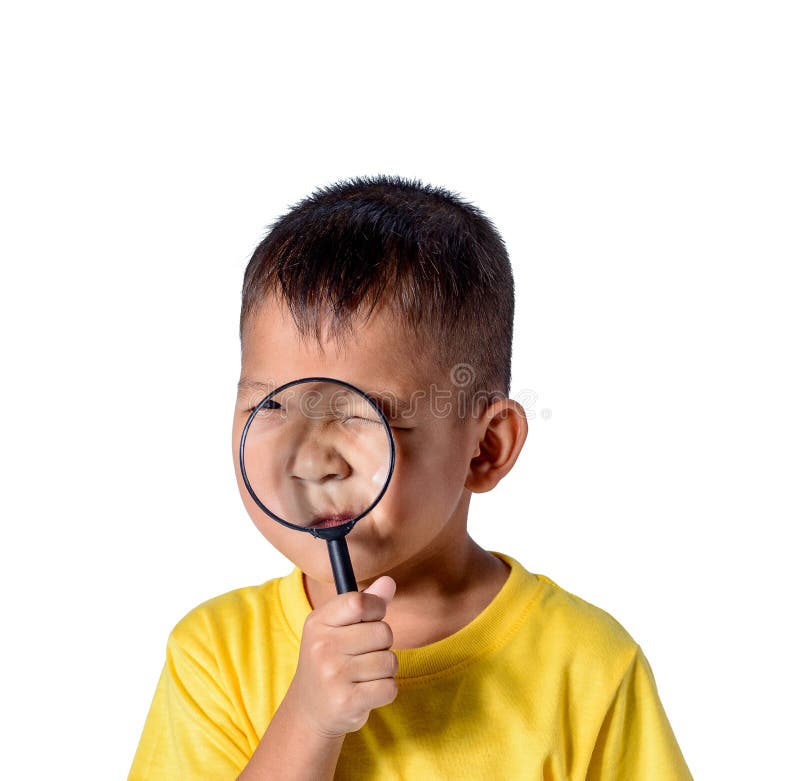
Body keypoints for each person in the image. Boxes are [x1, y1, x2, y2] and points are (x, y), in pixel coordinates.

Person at [128, 177, 693, 780]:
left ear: (486, 450)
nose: (311, 460)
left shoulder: (590, 666)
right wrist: (308, 722)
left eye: (362, 415)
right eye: (271, 407)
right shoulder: (215, 655)